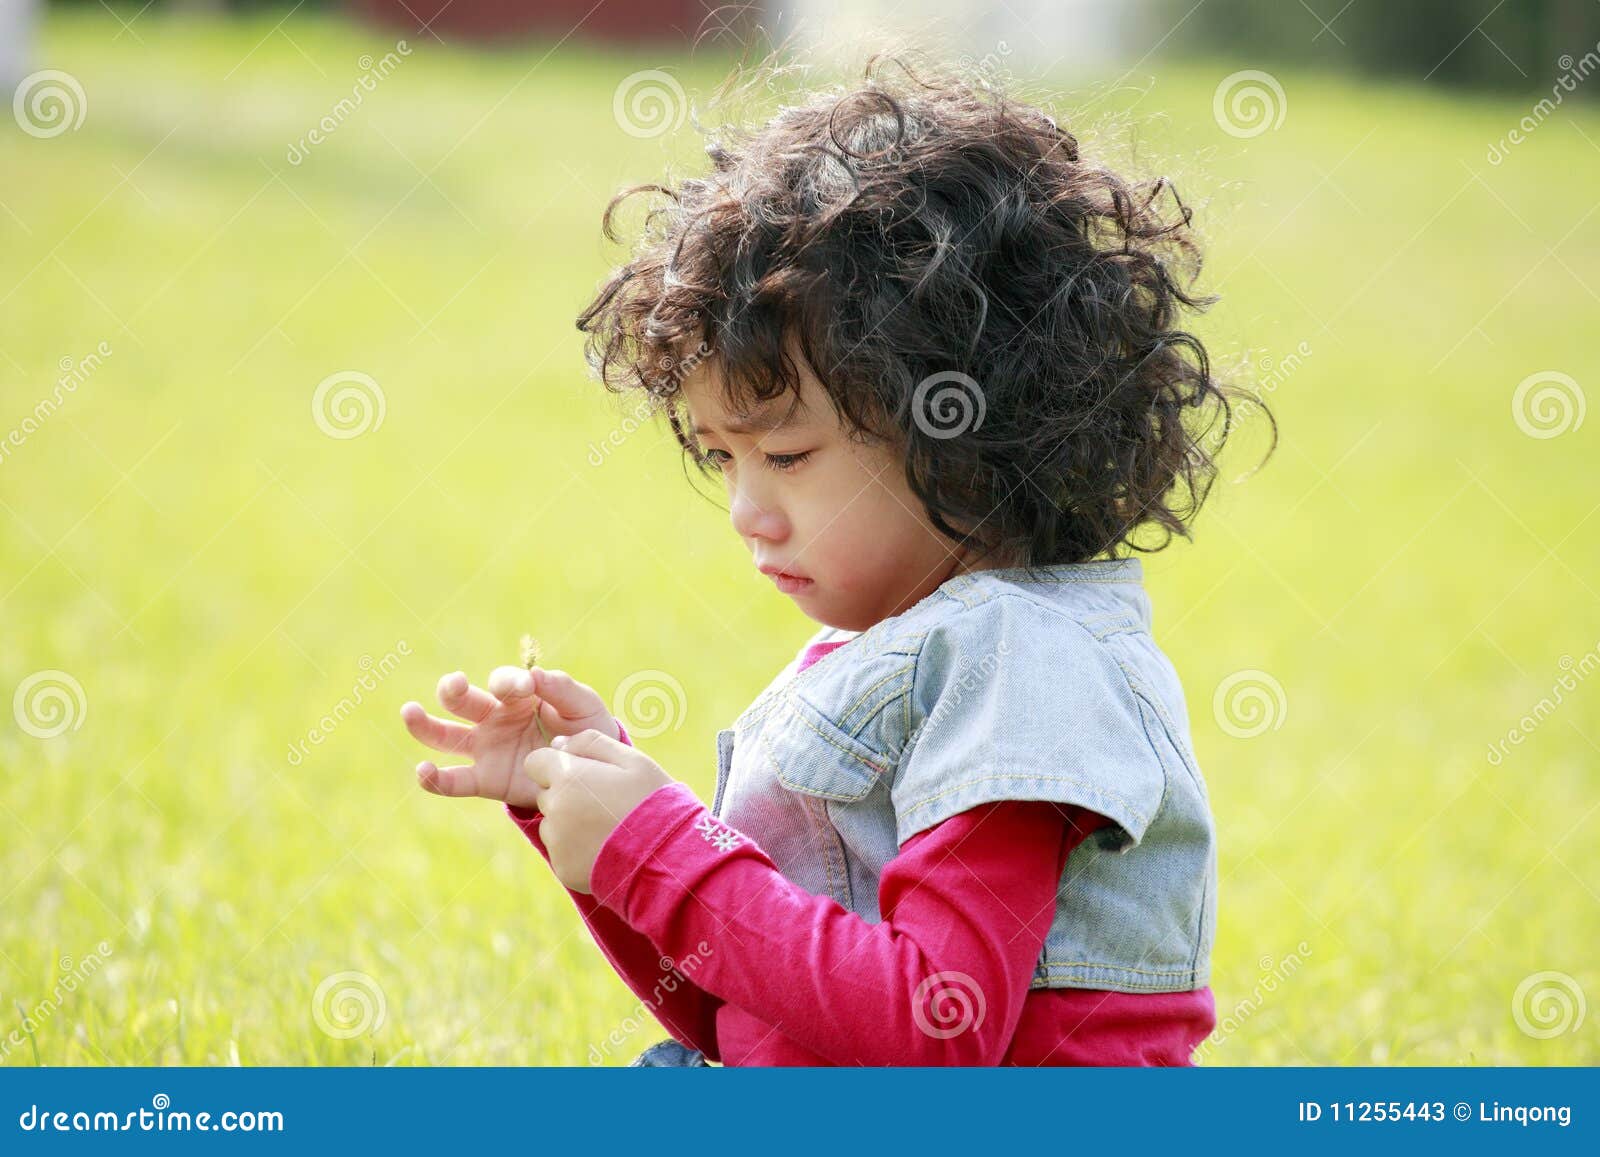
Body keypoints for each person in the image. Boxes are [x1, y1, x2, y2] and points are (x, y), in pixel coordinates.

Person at [401, 53, 1273, 1066]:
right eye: (721, 458)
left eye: (786, 456)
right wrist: (591, 814)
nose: (745, 511)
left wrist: (656, 851)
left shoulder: (1015, 664)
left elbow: (931, 1026)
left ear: (961, 427)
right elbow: (739, 1018)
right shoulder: (900, 646)